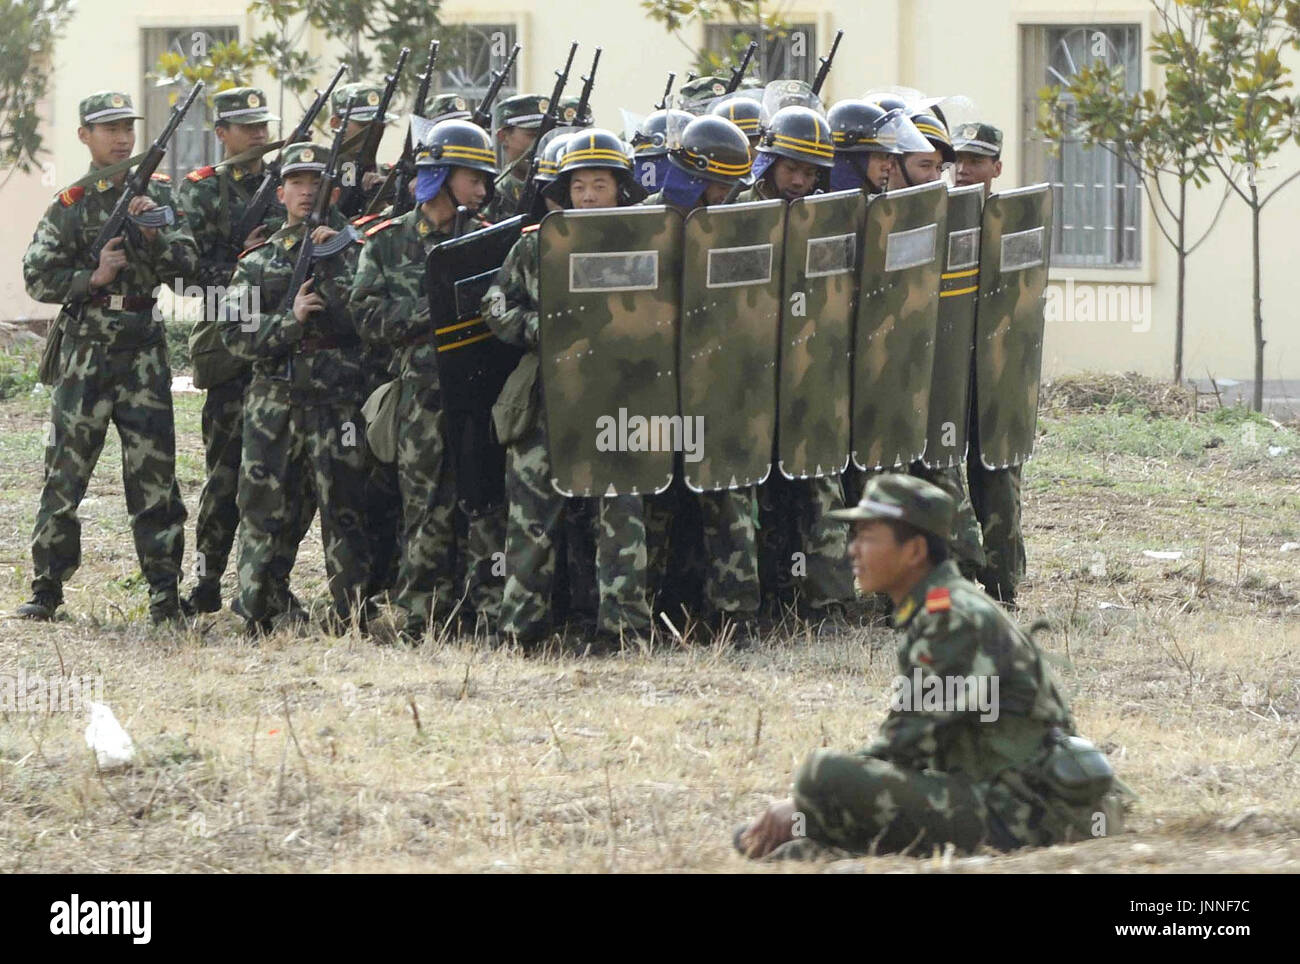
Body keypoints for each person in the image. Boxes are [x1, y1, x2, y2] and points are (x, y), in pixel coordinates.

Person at [736, 474, 1126, 860]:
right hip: (1005, 797)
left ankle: (821, 836)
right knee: (781, 821)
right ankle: (822, 843)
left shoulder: (951, 617)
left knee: (820, 775)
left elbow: (903, 747)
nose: (852, 550)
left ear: (915, 551)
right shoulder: (941, 607)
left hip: (1026, 813)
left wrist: (806, 804)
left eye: (868, 537)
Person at [19, 90, 196, 624]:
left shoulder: (159, 197)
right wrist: (90, 277)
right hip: (86, 353)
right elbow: (36, 275)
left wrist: (155, 231)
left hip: (143, 349)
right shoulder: (71, 202)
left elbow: (188, 274)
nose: (121, 137)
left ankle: (165, 592)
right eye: (108, 128)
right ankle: (48, 586)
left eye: (127, 127)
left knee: (155, 476)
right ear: (84, 137)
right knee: (65, 472)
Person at [482, 130, 652, 647]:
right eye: (578, 186)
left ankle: (623, 629)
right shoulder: (535, 243)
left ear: (621, 188)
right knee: (530, 515)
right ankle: (522, 629)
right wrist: (539, 328)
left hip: (622, 395)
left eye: (599, 185)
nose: (588, 196)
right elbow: (494, 304)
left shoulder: (647, 241)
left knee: (622, 514)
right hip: (547, 399)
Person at [350, 119, 503, 641]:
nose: (483, 189)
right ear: (440, 176)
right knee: (424, 506)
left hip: (480, 393)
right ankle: (423, 614)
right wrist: (437, 309)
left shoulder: (488, 242)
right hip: (421, 398)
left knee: (483, 503)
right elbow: (367, 319)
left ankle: (484, 611)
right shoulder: (387, 244)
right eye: (473, 177)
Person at [219, 141, 372, 636]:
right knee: (263, 507)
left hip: (336, 399)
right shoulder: (257, 262)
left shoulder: (355, 252)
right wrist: (289, 321)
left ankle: (354, 613)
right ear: (281, 193)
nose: (307, 192)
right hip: (274, 403)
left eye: (317, 182)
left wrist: (337, 260)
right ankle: (257, 607)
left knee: (344, 507)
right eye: (298, 183)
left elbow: (370, 321)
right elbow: (234, 336)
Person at [177, 86, 311, 618]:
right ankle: (208, 576)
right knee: (227, 471)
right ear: (222, 134)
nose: (258, 134)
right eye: (246, 126)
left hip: (285, 352)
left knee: (281, 478)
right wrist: (242, 263)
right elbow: (187, 278)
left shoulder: (288, 183)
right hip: (233, 346)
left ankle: (263, 584)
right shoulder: (203, 193)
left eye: (263, 125)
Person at [735, 106, 856, 618]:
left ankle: (831, 600)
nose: (800, 181)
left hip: (811, 371)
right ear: (768, 162)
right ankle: (757, 601)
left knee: (820, 488)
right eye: (791, 169)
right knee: (752, 495)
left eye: (810, 173)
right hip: (746, 374)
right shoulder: (736, 213)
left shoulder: (831, 218)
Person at [641, 114, 761, 627]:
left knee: (728, 498)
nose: (724, 195)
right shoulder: (640, 221)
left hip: (719, 384)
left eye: (730, 187)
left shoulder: (739, 226)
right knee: (653, 503)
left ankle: (736, 615)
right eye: (717, 185)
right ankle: (644, 613)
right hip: (653, 384)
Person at [952, 121, 1024, 605]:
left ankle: (1002, 582)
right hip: (946, 363)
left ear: (996, 167)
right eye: (959, 160)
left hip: (996, 367)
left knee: (996, 472)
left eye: (976, 161)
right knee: (940, 470)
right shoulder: (934, 215)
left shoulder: (1015, 219)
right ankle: (954, 572)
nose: (964, 170)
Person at [484, 93, 547, 221]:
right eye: (533, 135)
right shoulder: (490, 198)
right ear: (504, 137)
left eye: (546, 134)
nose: (541, 143)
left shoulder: (558, 192)